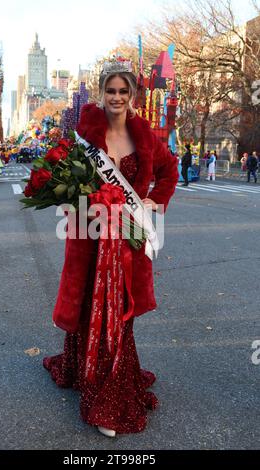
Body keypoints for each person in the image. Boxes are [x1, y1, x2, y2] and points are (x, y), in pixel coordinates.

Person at [43, 61, 179, 437]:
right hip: (89, 236)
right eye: (110, 91)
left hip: (128, 242)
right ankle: (81, 367)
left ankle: (111, 393)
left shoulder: (146, 137)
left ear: (132, 95)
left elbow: (170, 171)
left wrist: (154, 201)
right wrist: (74, 200)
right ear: (102, 94)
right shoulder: (86, 135)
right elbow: (64, 177)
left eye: (123, 91)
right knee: (89, 306)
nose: (116, 97)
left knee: (118, 313)